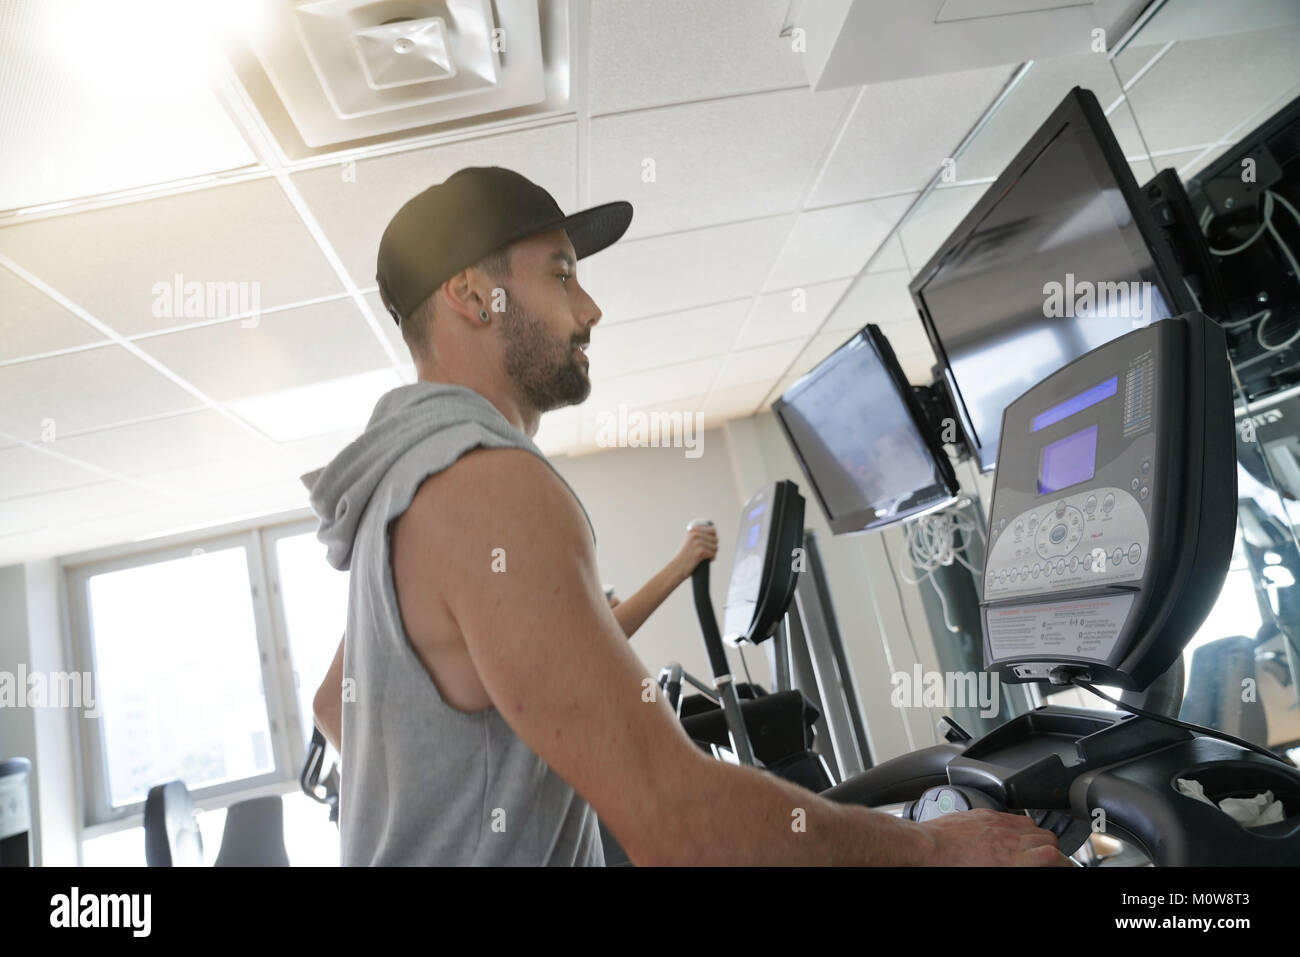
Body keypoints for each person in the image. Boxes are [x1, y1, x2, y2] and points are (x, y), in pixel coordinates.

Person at [302, 166, 1067, 866]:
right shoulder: (486, 484)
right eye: (561, 274)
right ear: (473, 295)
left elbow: (338, 702)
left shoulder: (401, 490)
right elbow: (678, 816)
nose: (590, 306)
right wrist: (936, 851)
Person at [311, 523, 719, 751]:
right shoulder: (411, 561)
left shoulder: (403, 569)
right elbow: (587, 644)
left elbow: (327, 706)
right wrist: (679, 566)